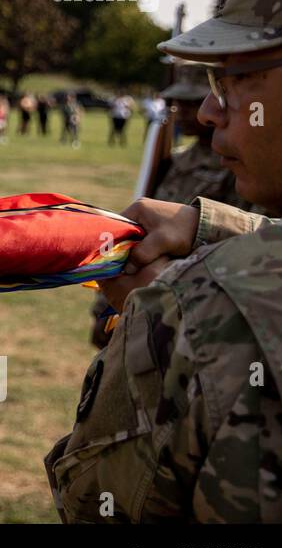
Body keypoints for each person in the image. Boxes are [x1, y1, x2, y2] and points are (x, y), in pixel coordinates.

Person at [47, 0, 282, 522]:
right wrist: (210, 228)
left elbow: (97, 507)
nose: (211, 111)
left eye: (237, 77)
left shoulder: (199, 312)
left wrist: (174, 313)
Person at [86, 63, 258, 349]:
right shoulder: (174, 161)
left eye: (191, 102)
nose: (186, 111)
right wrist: (103, 308)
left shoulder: (242, 170)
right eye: (178, 102)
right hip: (141, 301)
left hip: (186, 312)